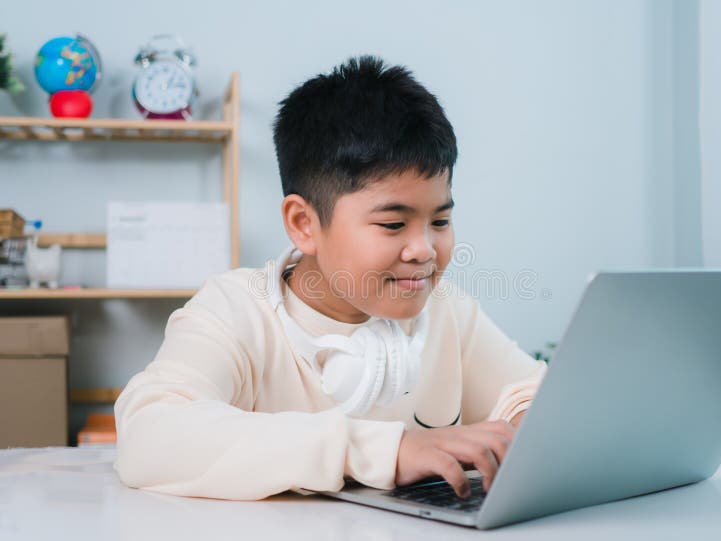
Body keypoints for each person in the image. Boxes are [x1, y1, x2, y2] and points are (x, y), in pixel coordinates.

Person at [113, 55, 547, 501]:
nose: (424, 250)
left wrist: (529, 429)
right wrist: (378, 450)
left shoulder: (446, 311)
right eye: (393, 225)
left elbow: (534, 395)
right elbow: (148, 435)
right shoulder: (234, 311)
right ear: (304, 224)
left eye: (440, 221)